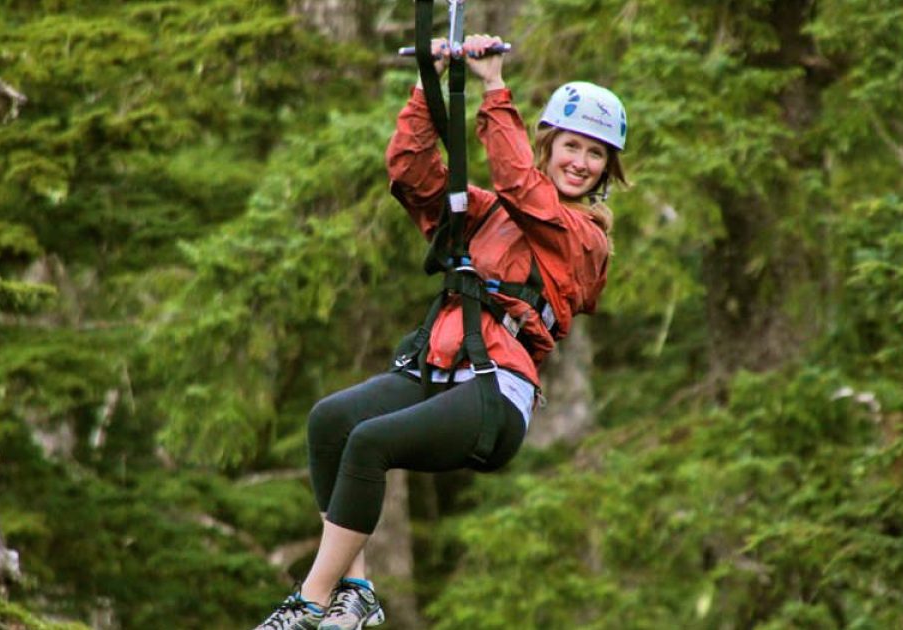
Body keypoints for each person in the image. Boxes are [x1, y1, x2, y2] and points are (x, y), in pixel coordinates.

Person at [254, 33, 627, 630]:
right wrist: (430, 87)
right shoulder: (486, 213)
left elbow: (521, 187)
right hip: (439, 367)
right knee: (332, 420)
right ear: (550, 144)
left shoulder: (586, 240)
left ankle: (310, 602)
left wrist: (493, 85)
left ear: (609, 169)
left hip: (495, 395)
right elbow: (412, 173)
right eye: (572, 147)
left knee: (370, 443)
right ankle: (357, 592)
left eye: (596, 155)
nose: (581, 163)